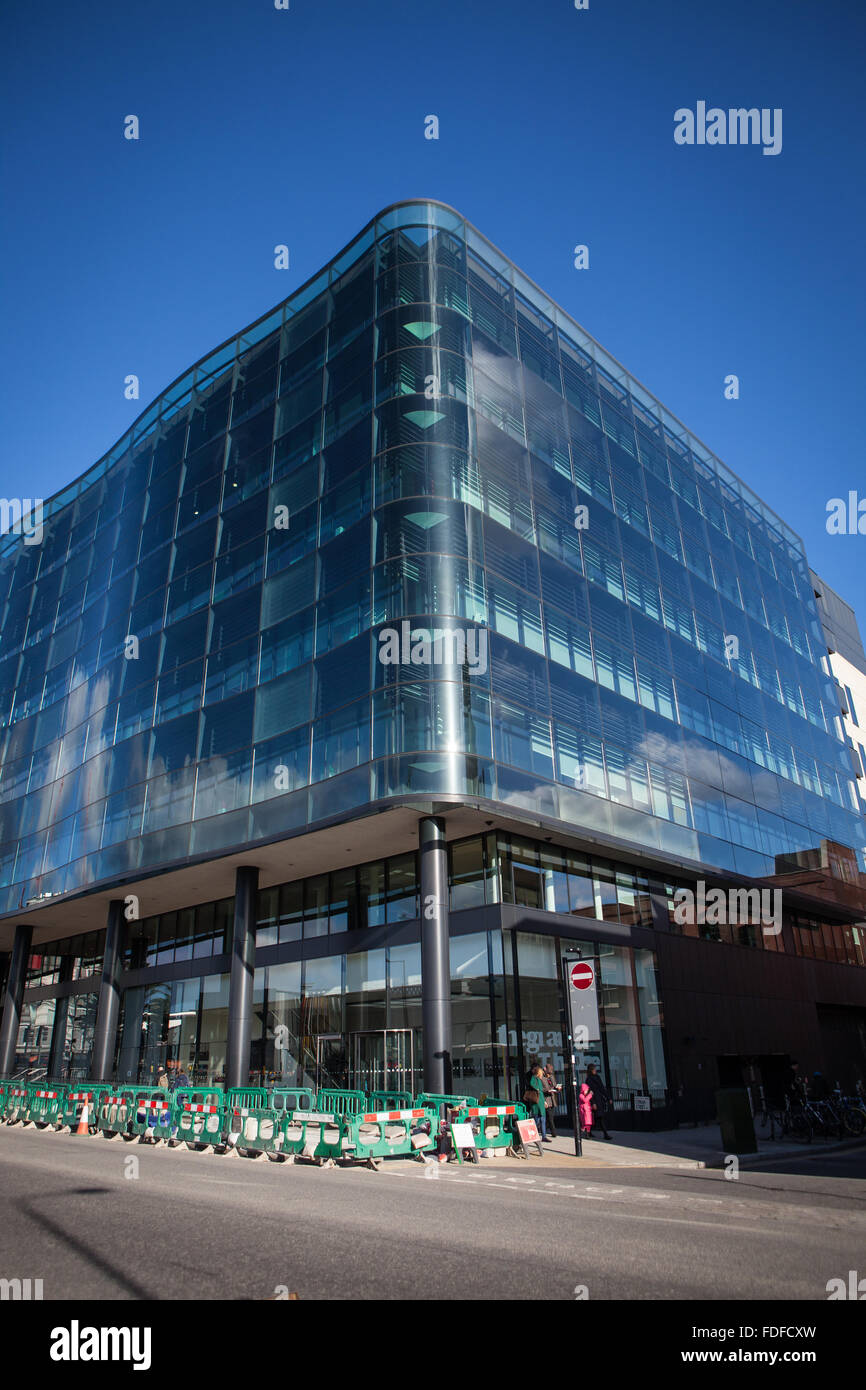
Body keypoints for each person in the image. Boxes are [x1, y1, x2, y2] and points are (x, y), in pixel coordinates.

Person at [584, 1063, 613, 1140]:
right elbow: (589, 1091)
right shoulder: (589, 1079)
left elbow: (602, 1088)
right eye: (594, 1069)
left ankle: (589, 1132)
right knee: (599, 1117)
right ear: (591, 1070)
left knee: (598, 1117)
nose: (595, 1070)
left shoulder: (597, 1077)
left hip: (599, 1099)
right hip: (595, 1100)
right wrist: (593, 1102)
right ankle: (604, 1134)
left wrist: (608, 1098)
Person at [528, 1064, 551, 1142]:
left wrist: (544, 1101)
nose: (542, 1073)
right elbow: (532, 1083)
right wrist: (537, 1088)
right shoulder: (534, 1078)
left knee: (542, 1119)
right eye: (541, 1072)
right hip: (537, 1101)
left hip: (541, 1100)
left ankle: (543, 1136)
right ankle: (536, 1135)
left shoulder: (538, 1079)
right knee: (537, 1119)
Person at [542, 1062, 561, 1139]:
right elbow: (540, 1089)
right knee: (550, 1116)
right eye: (548, 1073)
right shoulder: (541, 1078)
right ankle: (554, 1132)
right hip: (546, 1098)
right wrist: (547, 1090)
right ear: (545, 1069)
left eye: (550, 1073)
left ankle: (544, 1128)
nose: (549, 1075)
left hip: (552, 1098)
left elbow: (554, 1085)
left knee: (550, 1116)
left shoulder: (552, 1077)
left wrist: (558, 1088)